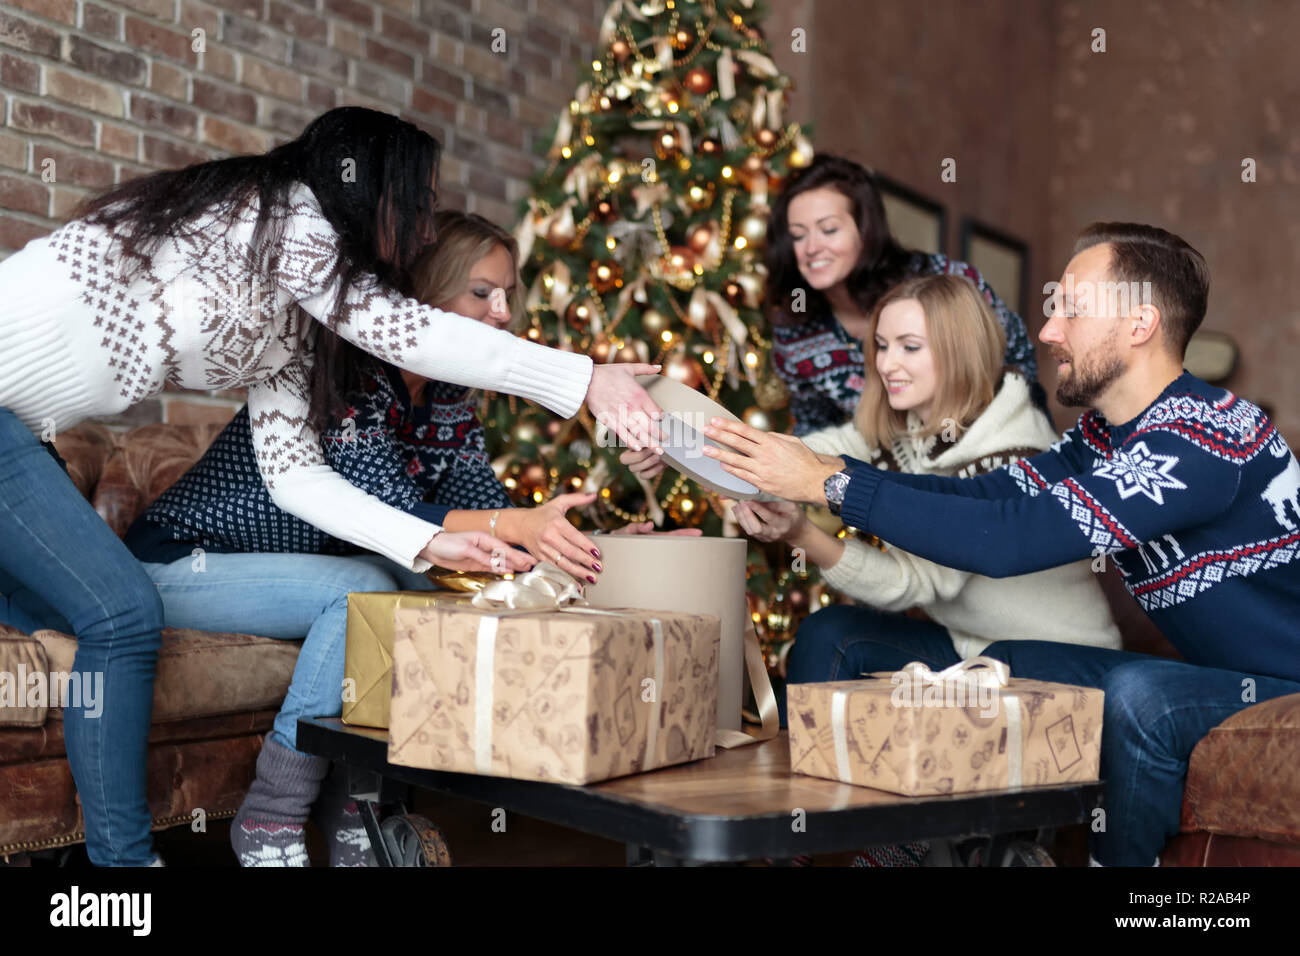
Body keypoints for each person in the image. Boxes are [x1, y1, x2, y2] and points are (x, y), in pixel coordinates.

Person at [0, 107, 665, 867]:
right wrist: (581, 380)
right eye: (417, 201)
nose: (421, 230)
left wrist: (433, 541)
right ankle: (122, 877)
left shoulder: (294, 334)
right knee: (122, 616)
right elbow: (402, 330)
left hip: (20, 432)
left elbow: (297, 478)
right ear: (368, 187)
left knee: (343, 587)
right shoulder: (276, 215)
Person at [704, 222, 1300, 866]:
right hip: (1224, 676)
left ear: (1140, 324)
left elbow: (1006, 542)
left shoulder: (1204, 437)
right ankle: (933, 852)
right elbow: (989, 501)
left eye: (1070, 309)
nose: (1047, 331)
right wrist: (821, 477)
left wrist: (832, 484)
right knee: (1004, 660)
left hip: (1282, 683)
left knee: (1142, 700)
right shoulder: (1104, 436)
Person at [124, 210, 697, 866]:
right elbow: (388, 509)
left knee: (424, 587)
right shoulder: (350, 372)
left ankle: (357, 807)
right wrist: (514, 528)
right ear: (426, 296)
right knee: (365, 586)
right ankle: (272, 814)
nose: (503, 312)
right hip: (181, 562)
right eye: (482, 292)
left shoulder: (450, 397)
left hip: (278, 576)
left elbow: (485, 512)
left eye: (509, 293)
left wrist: (600, 545)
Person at [733, 271, 1119, 868]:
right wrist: (713, 445)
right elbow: (818, 450)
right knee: (831, 635)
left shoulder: (1010, 446)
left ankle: (916, 841)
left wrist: (803, 532)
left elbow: (914, 584)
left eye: (910, 348)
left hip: (1052, 668)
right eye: (882, 346)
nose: (888, 363)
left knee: (856, 646)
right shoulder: (910, 423)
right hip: (970, 649)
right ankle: (799, 836)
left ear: (958, 352)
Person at [765, 154, 1046, 435]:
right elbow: (815, 425)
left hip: (990, 450)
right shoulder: (794, 327)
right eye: (798, 235)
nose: (811, 247)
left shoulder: (945, 279)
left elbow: (1019, 365)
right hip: (881, 467)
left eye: (829, 229)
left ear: (866, 229)